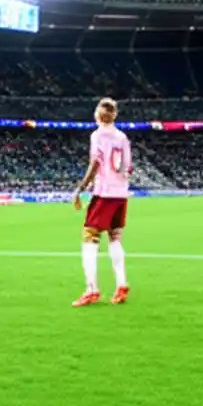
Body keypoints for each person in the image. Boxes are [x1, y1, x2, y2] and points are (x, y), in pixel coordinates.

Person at [71, 98, 132, 306]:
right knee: (115, 238)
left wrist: (80, 189)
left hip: (104, 193)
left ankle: (91, 288)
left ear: (99, 114)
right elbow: (128, 168)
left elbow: (95, 163)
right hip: (121, 194)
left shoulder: (97, 135)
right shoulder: (123, 137)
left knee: (90, 236)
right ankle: (121, 285)